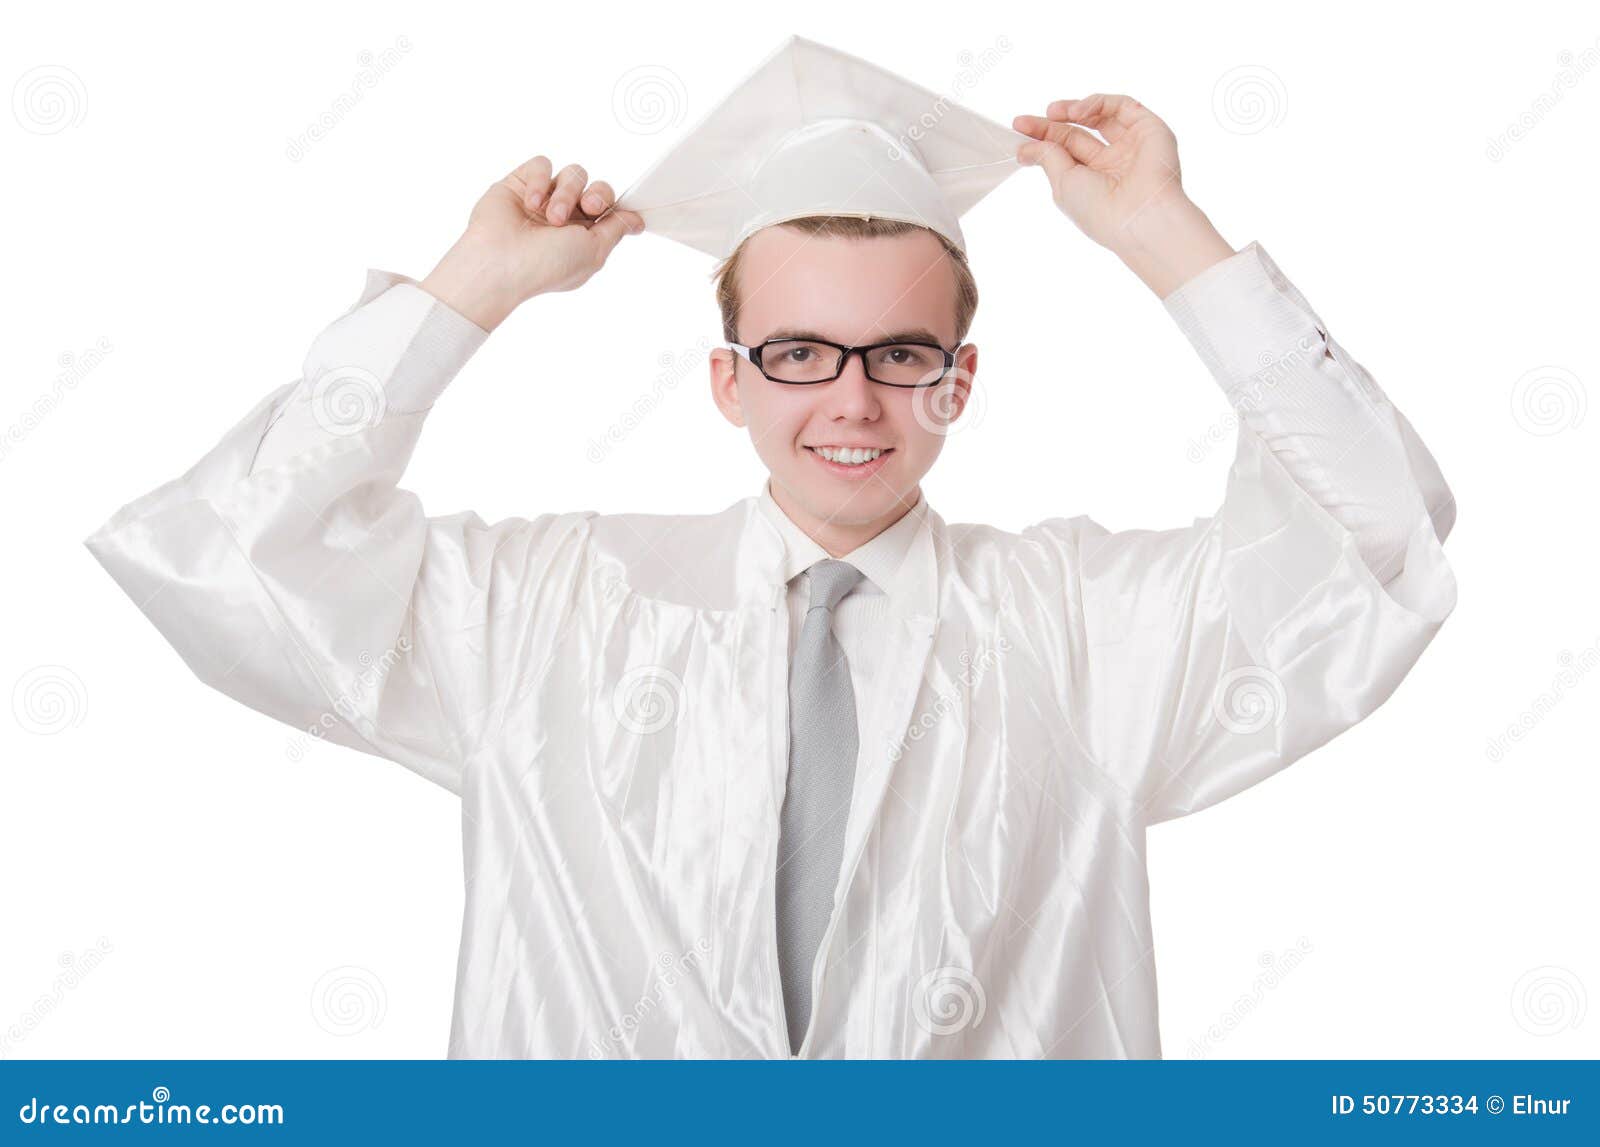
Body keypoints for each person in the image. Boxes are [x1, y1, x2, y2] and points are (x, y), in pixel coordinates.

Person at [84, 37, 1456, 1058]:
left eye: (899, 353)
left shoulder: (1089, 631)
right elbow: (235, 555)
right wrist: (470, 289)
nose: (850, 401)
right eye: (798, 352)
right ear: (730, 380)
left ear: (957, 381)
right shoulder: (542, 614)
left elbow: (1373, 538)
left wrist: (1169, 236)